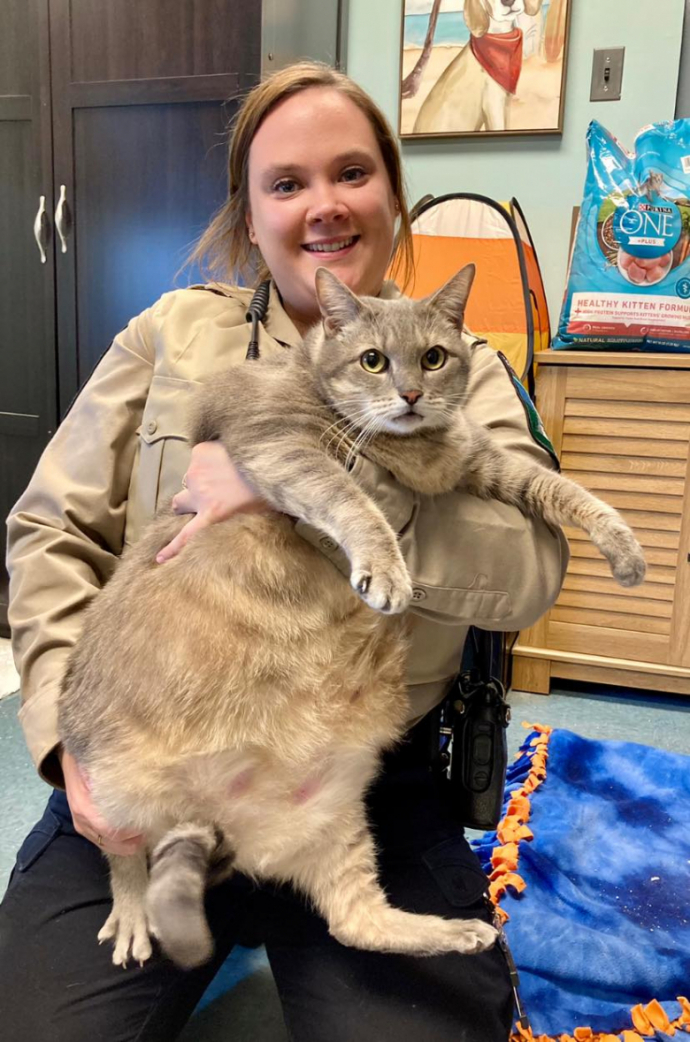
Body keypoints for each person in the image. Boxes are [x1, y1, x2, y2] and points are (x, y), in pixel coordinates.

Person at [0, 61, 567, 1042]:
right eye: (287, 183)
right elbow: (51, 530)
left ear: (393, 191)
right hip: (165, 760)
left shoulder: (458, 371)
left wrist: (313, 495)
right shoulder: (169, 338)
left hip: (360, 785)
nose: (324, 207)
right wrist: (65, 745)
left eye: (352, 172)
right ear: (250, 210)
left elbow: (530, 572)